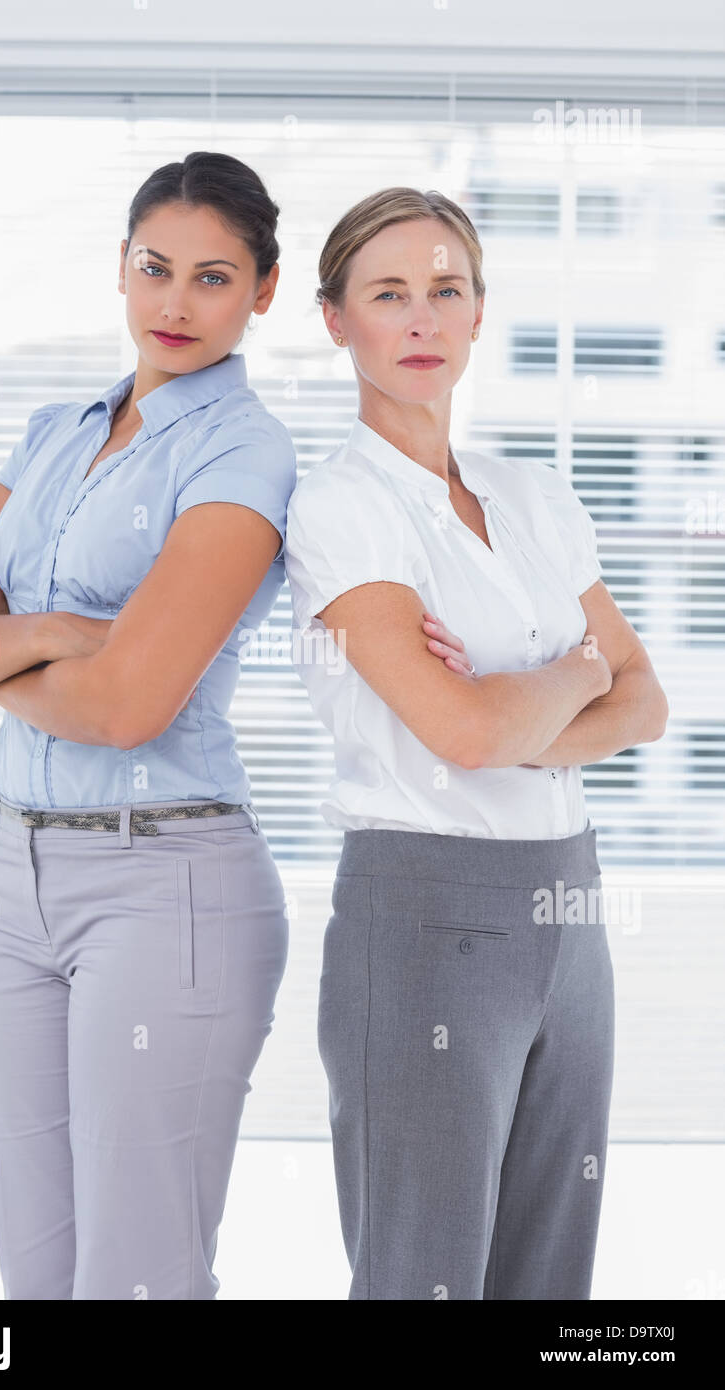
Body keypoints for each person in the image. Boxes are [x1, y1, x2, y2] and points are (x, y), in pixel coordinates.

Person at [0, 151, 297, 1300]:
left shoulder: (243, 452)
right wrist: (61, 632)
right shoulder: (53, 430)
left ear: (261, 294)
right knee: (36, 1273)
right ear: (119, 269)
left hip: (166, 881)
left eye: (213, 278)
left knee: (134, 1279)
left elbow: (127, 707)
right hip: (13, 879)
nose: (175, 303)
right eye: (154, 267)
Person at [283, 186, 669, 1300]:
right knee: (423, 1275)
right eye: (387, 294)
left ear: (477, 313)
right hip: (423, 916)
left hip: (570, 909)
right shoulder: (339, 508)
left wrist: (535, 704)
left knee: (551, 1280)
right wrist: (576, 671)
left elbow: (646, 701)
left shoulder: (534, 495)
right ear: (333, 319)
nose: (419, 319)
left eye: (444, 291)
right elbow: (458, 730)